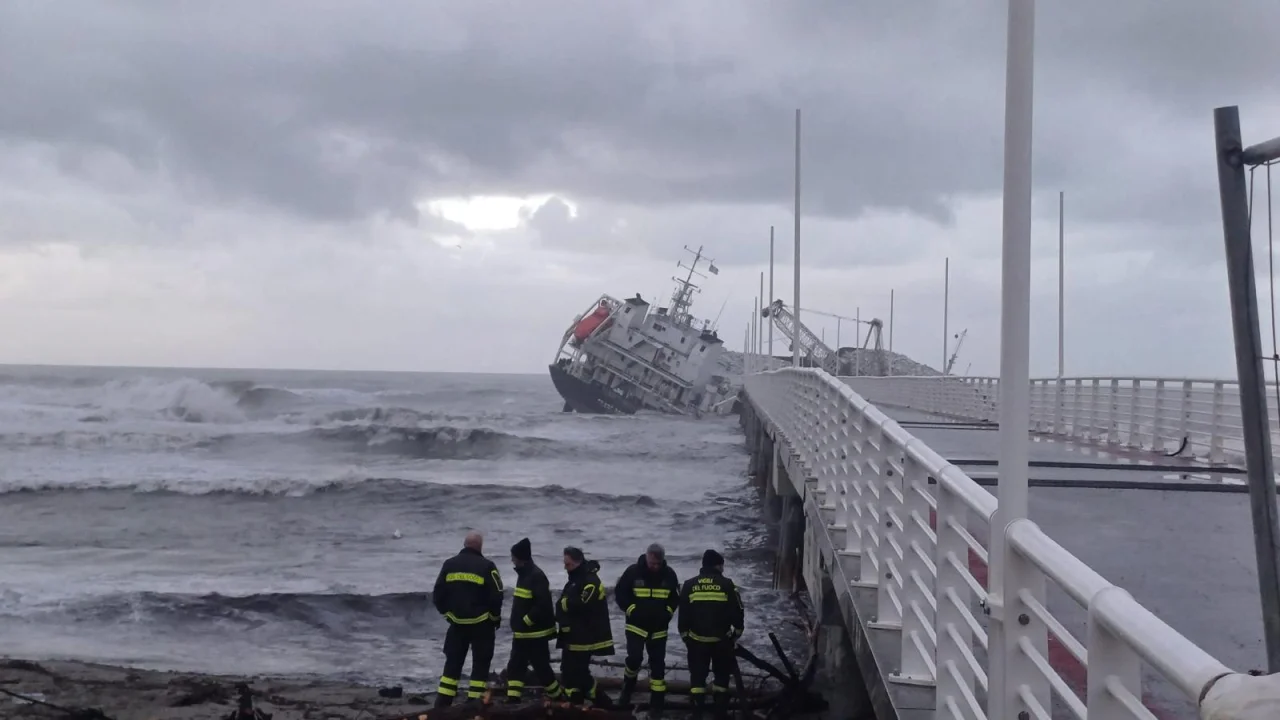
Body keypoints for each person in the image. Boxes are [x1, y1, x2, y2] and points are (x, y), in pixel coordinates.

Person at [431, 531, 504, 706]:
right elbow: (497, 595)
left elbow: (438, 595)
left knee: (452, 664)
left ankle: (443, 703)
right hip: (482, 625)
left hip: (457, 625)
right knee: (480, 664)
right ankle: (475, 702)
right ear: (480, 547)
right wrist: (494, 618)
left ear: (464, 545)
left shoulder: (449, 564)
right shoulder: (487, 566)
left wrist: (449, 615)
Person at [614, 543, 680, 716]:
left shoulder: (670, 575)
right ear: (647, 557)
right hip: (636, 627)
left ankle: (657, 704)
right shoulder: (632, 572)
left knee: (658, 666)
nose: (655, 567)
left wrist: (668, 612)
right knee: (634, 659)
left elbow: (675, 598)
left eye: (658, 564)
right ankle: (626, 691)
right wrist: (631, 610)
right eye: (652, 564)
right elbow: (620, 594)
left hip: (659, 629)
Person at [679, 549, 745, 720]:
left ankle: (697, 713)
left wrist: (686, 636)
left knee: (697, 680)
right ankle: (719, 713)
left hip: (696, 642)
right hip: (721, 641)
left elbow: (683, 614)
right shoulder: (727, 584)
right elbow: (737, 612)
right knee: (721, 679)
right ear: (718, 565)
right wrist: (736, 634)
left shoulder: (688, 585)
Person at [504, 537, 562, 703]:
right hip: (523, 634)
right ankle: (513, 698)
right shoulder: (524, 575)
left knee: (542, 668)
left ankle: (557, 696)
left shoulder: (536, 576)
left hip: (535, 634)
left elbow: (542, 605)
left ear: (520, 557)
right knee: (515, 666)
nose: (512, 560)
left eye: (513, 557)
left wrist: (525, 622)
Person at [556, 546, 615, 707]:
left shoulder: (590, 581)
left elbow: (580, 605)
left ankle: (603, 702)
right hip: (572, 635)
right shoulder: (574, 581)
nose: (565, 567)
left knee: (579, 673)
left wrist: (565, 604)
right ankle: (575, 702)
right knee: (568, 672)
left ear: (577, 562)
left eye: (567, 564)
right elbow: (560, 605)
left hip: (585, 636)